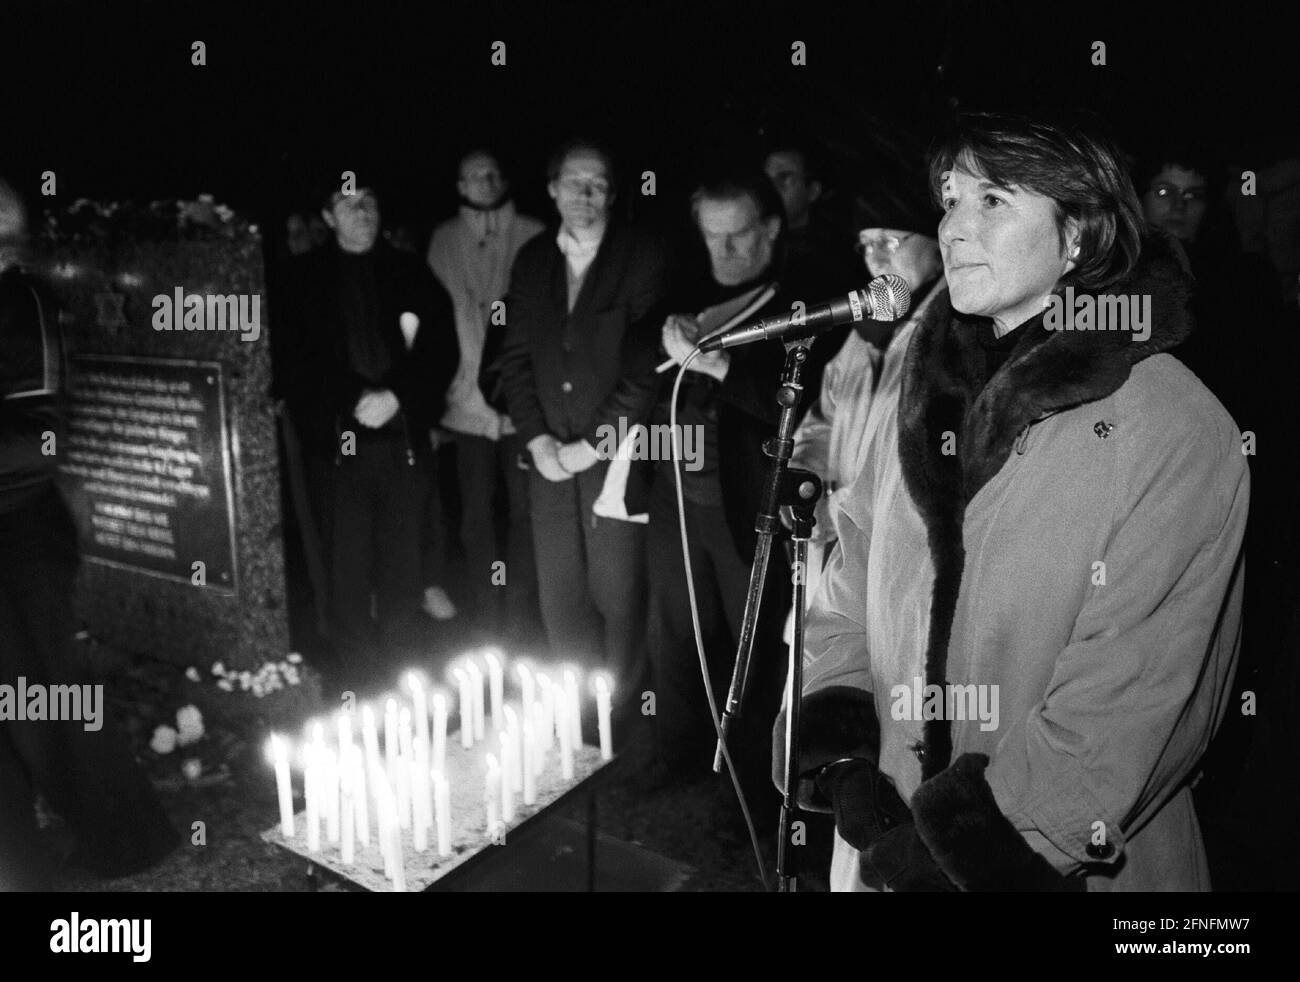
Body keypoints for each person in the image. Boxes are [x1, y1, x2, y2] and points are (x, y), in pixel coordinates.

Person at [780, 113, 1248, 892]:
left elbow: (1128, 710)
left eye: (993, 201)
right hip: (882, 850)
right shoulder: (923, 396)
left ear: (1080, 237)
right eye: (950, 198)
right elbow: (847, 580)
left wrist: (958, 853)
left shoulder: (1174, 428)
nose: (955, 226)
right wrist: (845, 759)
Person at [0, 177, 178, 888]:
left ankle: (120, 831)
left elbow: (40, 439)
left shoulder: (24, 303)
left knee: (47, 694)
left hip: (20, 533)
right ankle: (22, 855)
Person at [643, 172, 802, 811]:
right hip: (681, 503)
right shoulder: (689, 293)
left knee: (753, 653)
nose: (726, 252)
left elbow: (801, 404)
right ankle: (674, 755)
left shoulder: (800, 301)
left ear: (770, 228)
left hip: (748, 511)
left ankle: (752, 796)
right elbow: (641, 369)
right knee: (679, 636)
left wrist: (721, 365)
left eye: (739, 235)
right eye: (713, 238)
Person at [496, 139, 669, 698]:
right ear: (552, 190)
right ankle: (579, 730)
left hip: (616, 461)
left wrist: (596, 443)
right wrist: (538, 439)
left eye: (597, 184)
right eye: (575, 183)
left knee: (619, 597)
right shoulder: (532, 260)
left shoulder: (641, 255)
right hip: (548, 463)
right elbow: (514, 358)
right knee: (561, 599)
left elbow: (648, 367)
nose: (586, 195)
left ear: (613, 193)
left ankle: (626, 728)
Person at [279, 183, 458, 679]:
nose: (363, 212)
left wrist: (397, 394)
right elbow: (296, 361)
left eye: (371, 203)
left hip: (401, 444)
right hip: (338, 449)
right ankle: (358, 682)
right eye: (349, 203)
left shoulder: (409, 271)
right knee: (346, 572)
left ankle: (405, 682)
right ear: (327, 215)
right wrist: (353, 398)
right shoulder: (302, 279)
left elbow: (440, 347)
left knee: (403, 569)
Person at [785, 214, 945, 628]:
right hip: (838, 559)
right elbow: (824, 419)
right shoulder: (864, 332)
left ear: (938, 239)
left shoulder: (954, 331)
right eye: (866, 243)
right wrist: (807, 477)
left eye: (889, 241)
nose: (874, 259)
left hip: (903, 570)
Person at [427, 150, 545, 633]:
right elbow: (433, 323)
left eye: (495, 172)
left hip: (523, 402)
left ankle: (522, 606)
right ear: (459, 183)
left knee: (526, 510)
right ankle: (486, 607)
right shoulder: (443, 239)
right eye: (476, 175)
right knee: (475, 513)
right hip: (466, 400)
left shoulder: (535, 233)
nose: (488, 181)